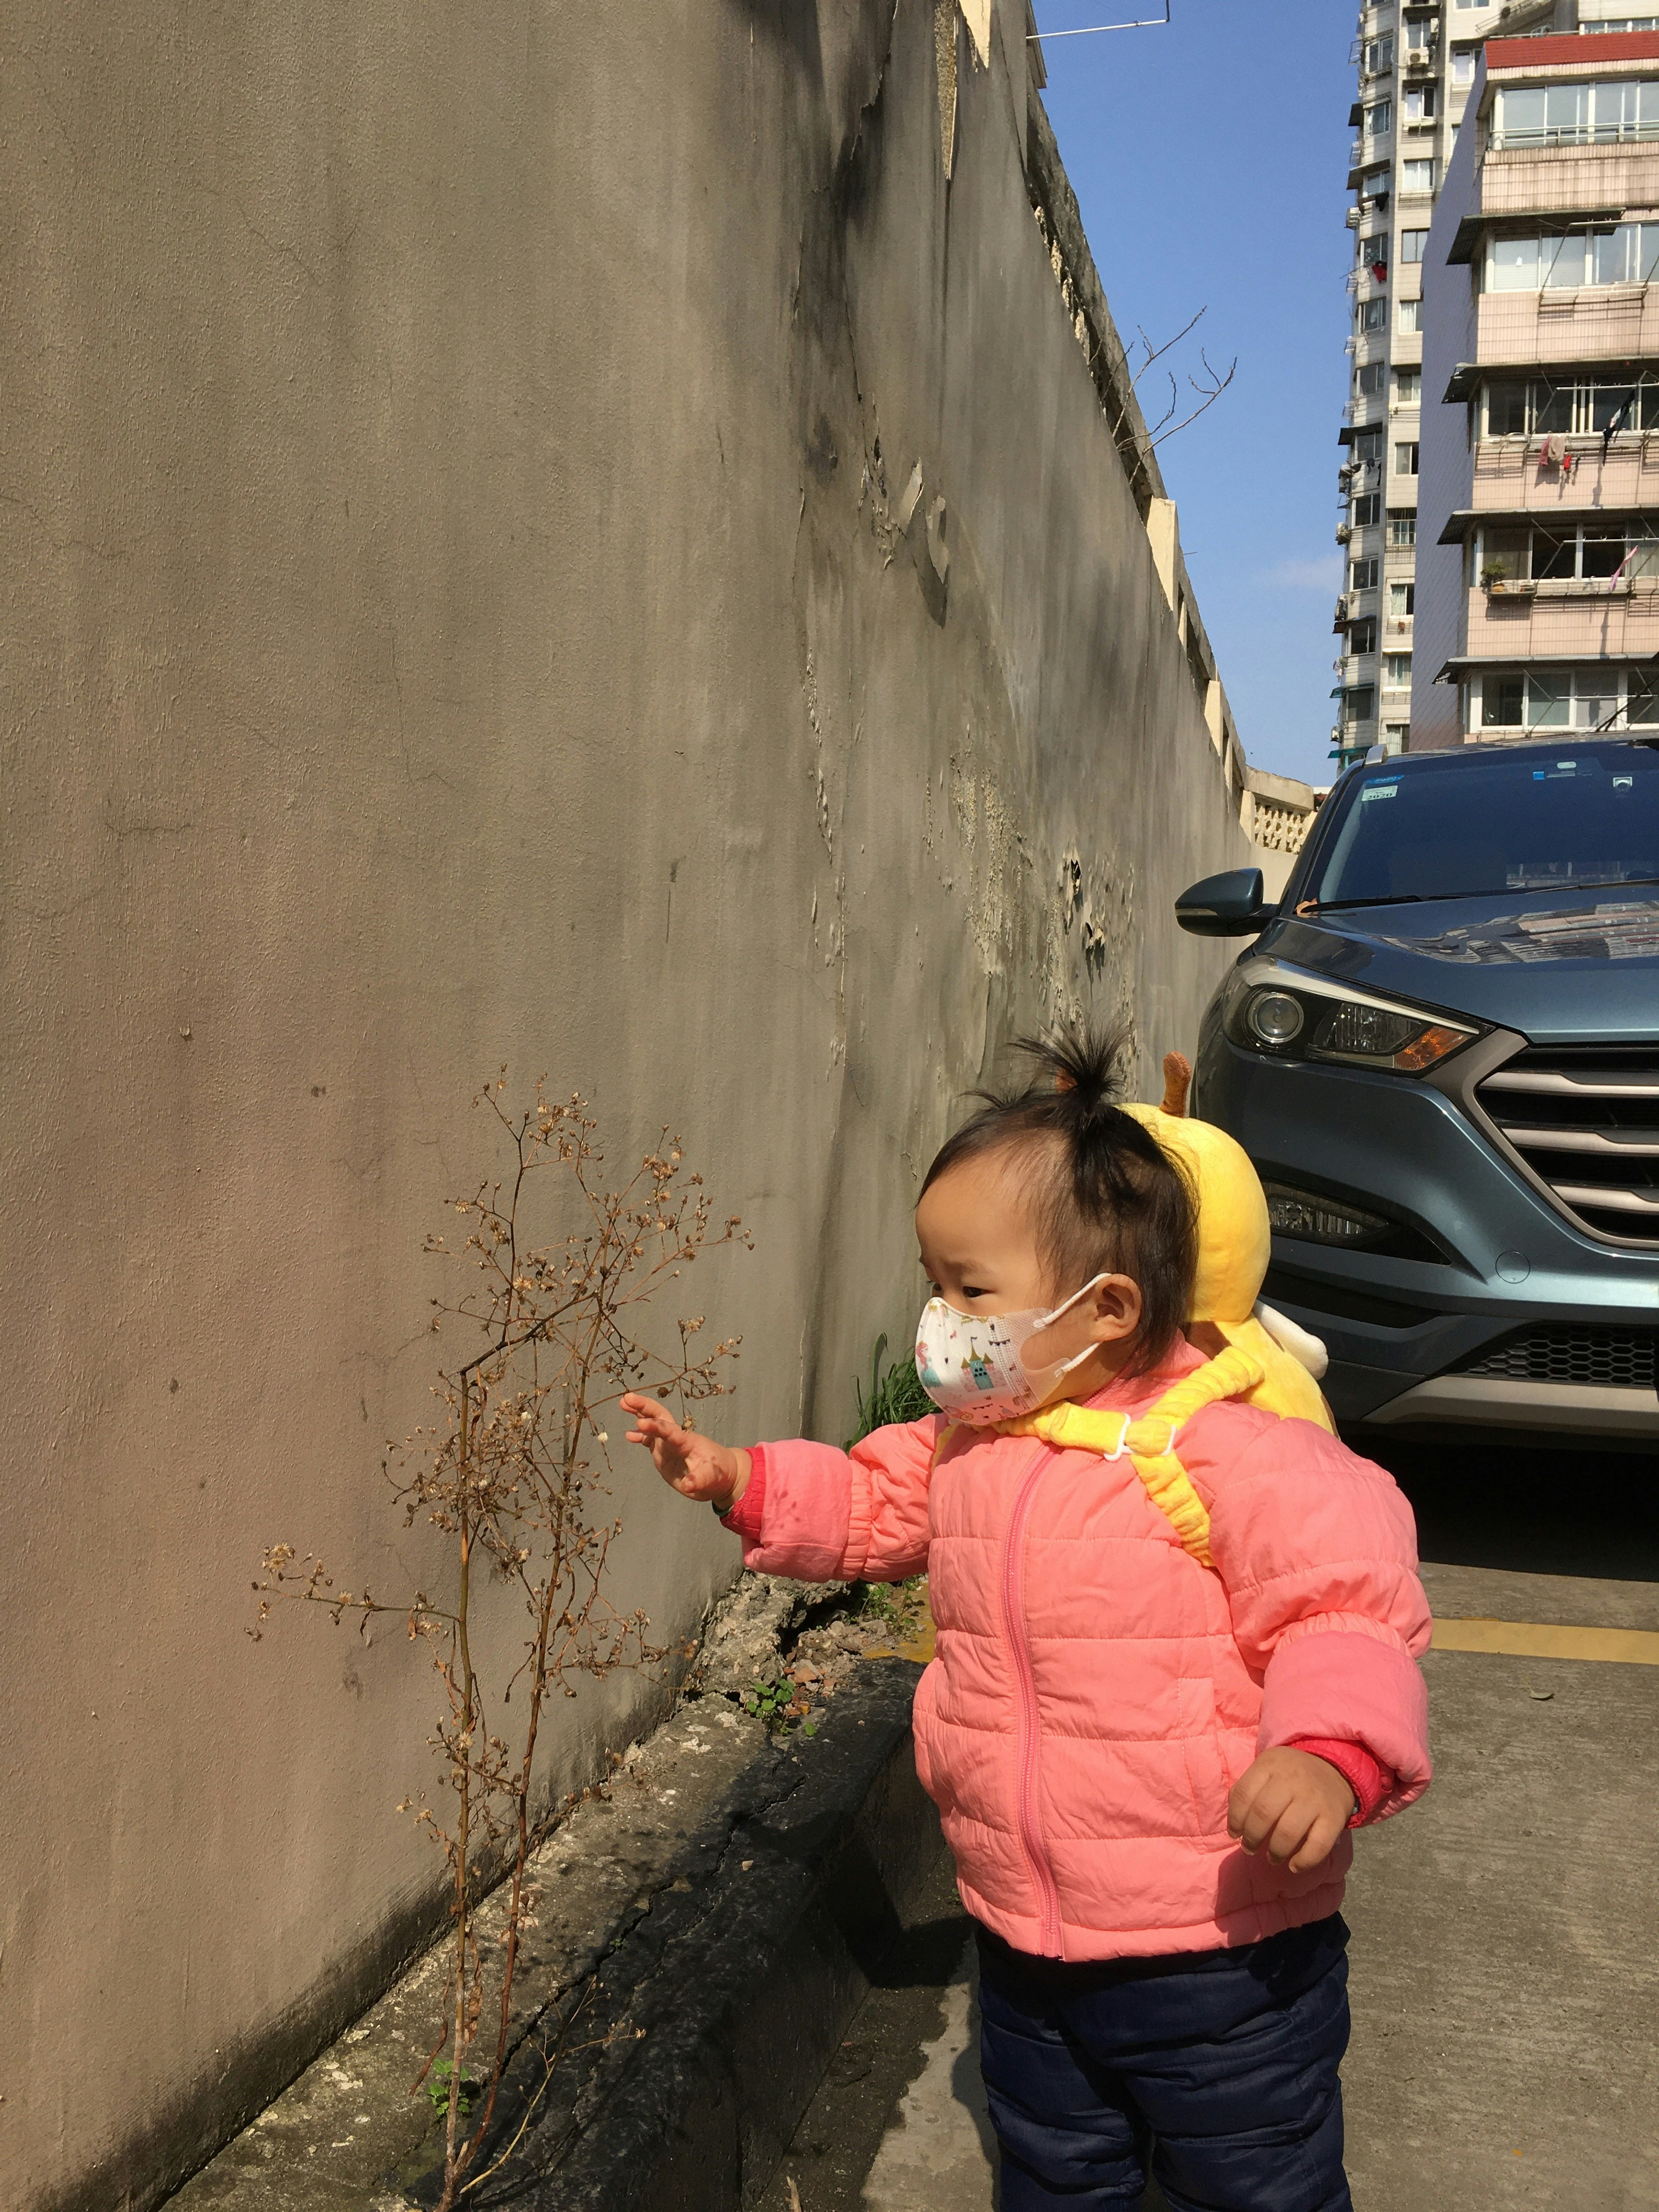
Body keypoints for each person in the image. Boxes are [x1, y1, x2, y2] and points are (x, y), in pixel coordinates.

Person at [624, 1027, 1431, 2212]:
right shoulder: (976, 1438)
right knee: (1057, 2171)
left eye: (970, 1289)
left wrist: (1328, 1754)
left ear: (1105, 1307)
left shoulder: (1230, 1451)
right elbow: (873, 1497)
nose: (939, 1315)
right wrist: (743, 1480)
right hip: (1025, 1931)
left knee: (1258, 2180)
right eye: (933, 1279)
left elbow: (1344, 1607)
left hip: (1221, 1949)